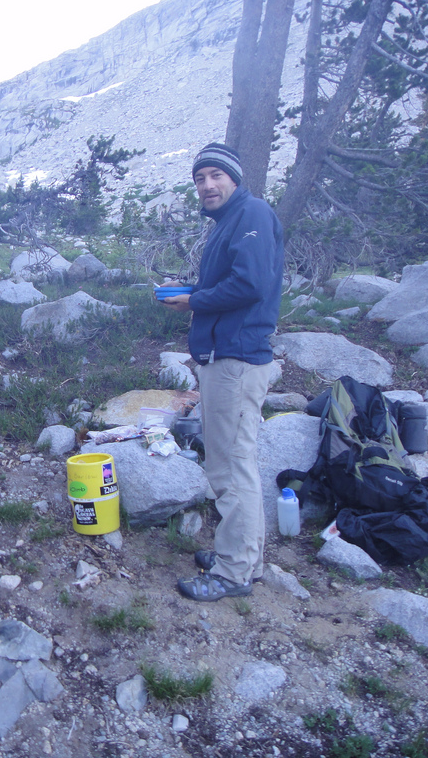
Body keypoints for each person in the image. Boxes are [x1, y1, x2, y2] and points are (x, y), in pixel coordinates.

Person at [160, 142, 284, 602]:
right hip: (224, 357)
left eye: (215, 175)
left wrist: (194, 300)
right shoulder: (228, 221)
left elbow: (251, 285)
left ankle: (234, 573)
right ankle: (242, 555)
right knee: (228, 460)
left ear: (234, 178)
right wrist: (192, 291)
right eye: (199, 178)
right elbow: (231, 282)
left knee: (232, 468)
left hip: (236, 358)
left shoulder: (251, 214)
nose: (207, 185)